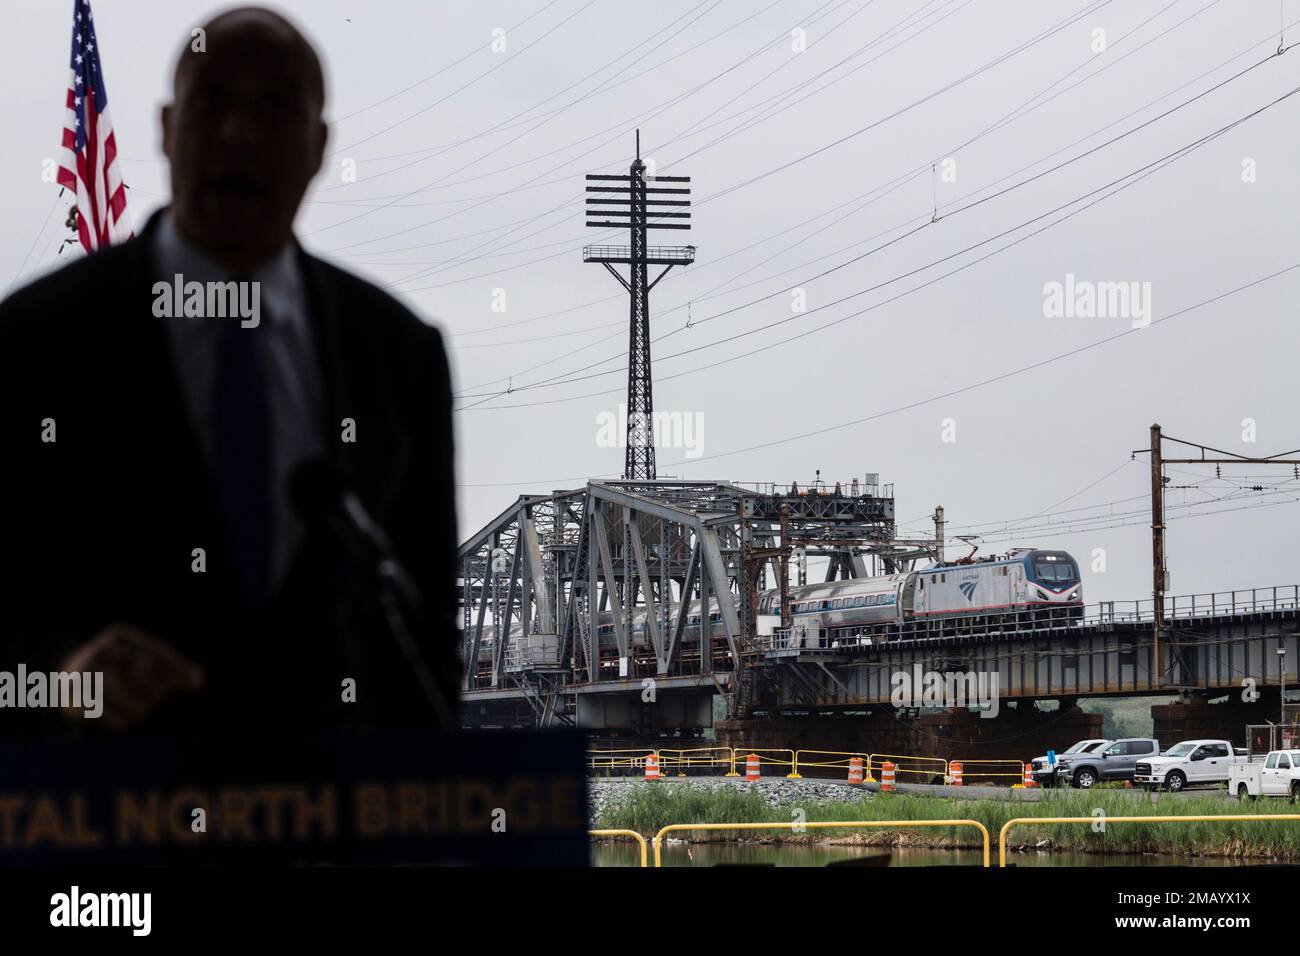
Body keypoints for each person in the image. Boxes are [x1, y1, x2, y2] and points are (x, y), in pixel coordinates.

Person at [0, 7, 460, 735]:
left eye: (274, 108)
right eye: (213, 101)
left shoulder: (399, 353)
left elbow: (429, 636)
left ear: (318, 145)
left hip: (338, 830)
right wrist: (57, 680)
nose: (239, 135)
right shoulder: (29, 343)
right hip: (104, 827)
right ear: (165, 127)